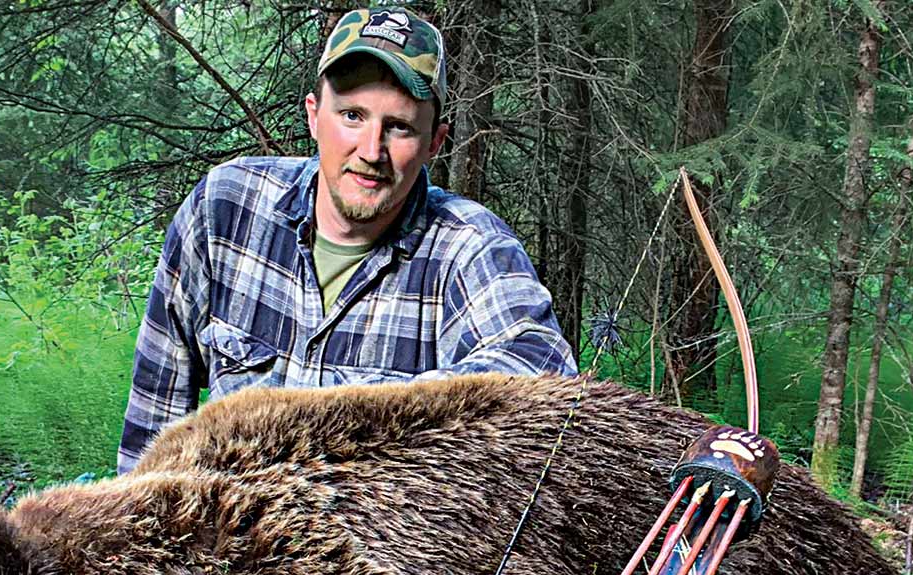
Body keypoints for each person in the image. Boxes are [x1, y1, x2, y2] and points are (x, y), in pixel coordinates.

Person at [118, 7, 578, 473]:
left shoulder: (470, 247)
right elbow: (152, 416)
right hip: (232, 539)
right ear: (315, 116)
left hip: (381, 542)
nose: (371, 151)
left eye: (398, 126)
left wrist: (359, 427)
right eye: (352, 116)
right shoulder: (225, 210)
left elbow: (544, 377)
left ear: (435, 142)